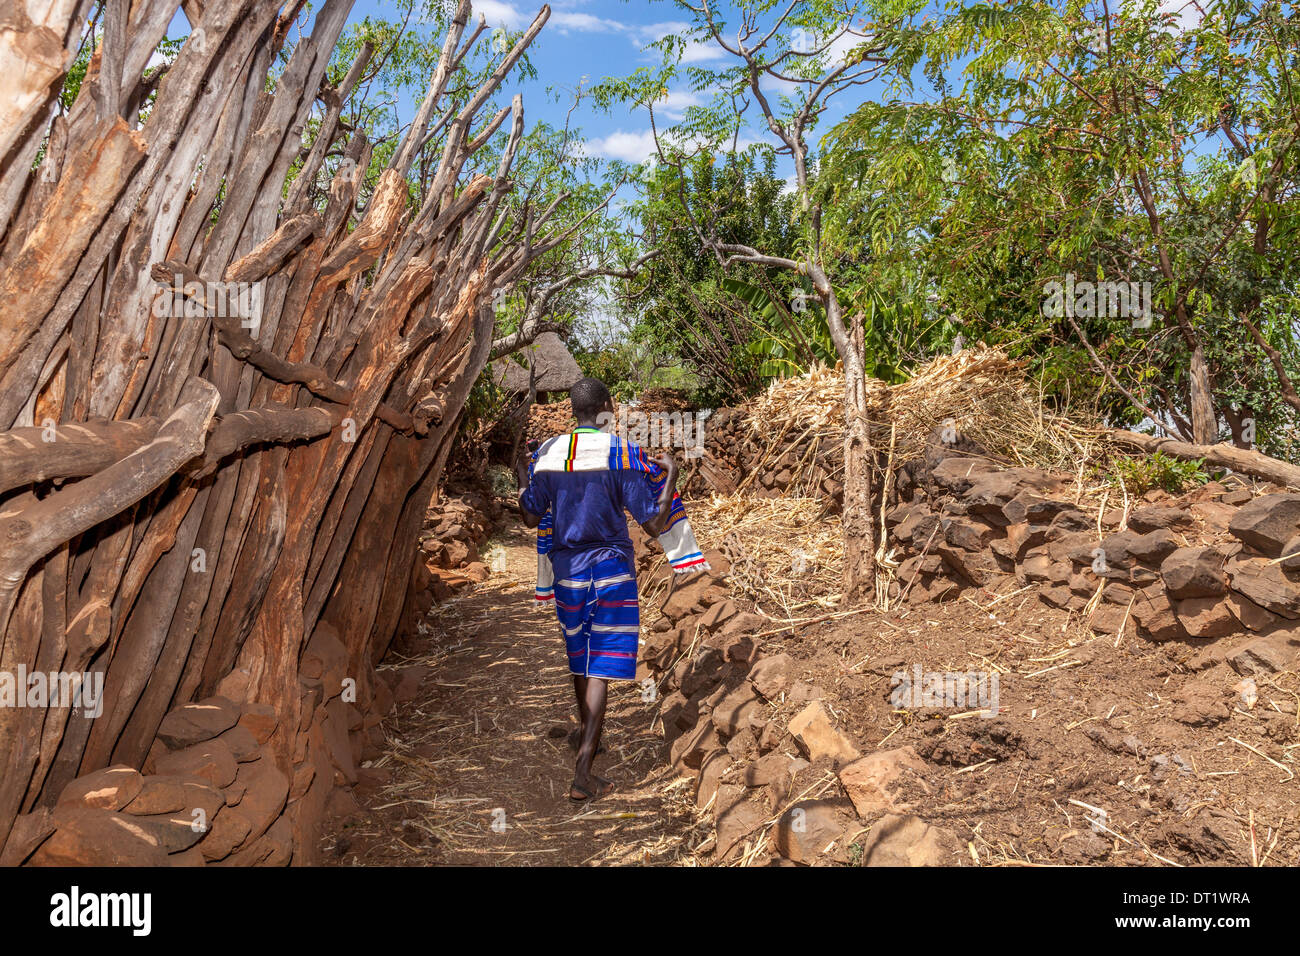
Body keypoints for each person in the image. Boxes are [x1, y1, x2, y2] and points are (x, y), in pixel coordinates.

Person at [515, 378, 678, 801]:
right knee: (602, 665)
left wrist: (521, 483)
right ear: (607, 406)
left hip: (566, 571)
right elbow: (654, 524)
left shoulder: (550, 454)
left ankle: (585, 735)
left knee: (580, 657)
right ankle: (583, 772)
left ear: (572, 410)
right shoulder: (620, 453)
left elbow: (531, 517)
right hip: (610, 570)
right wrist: (672, 475)